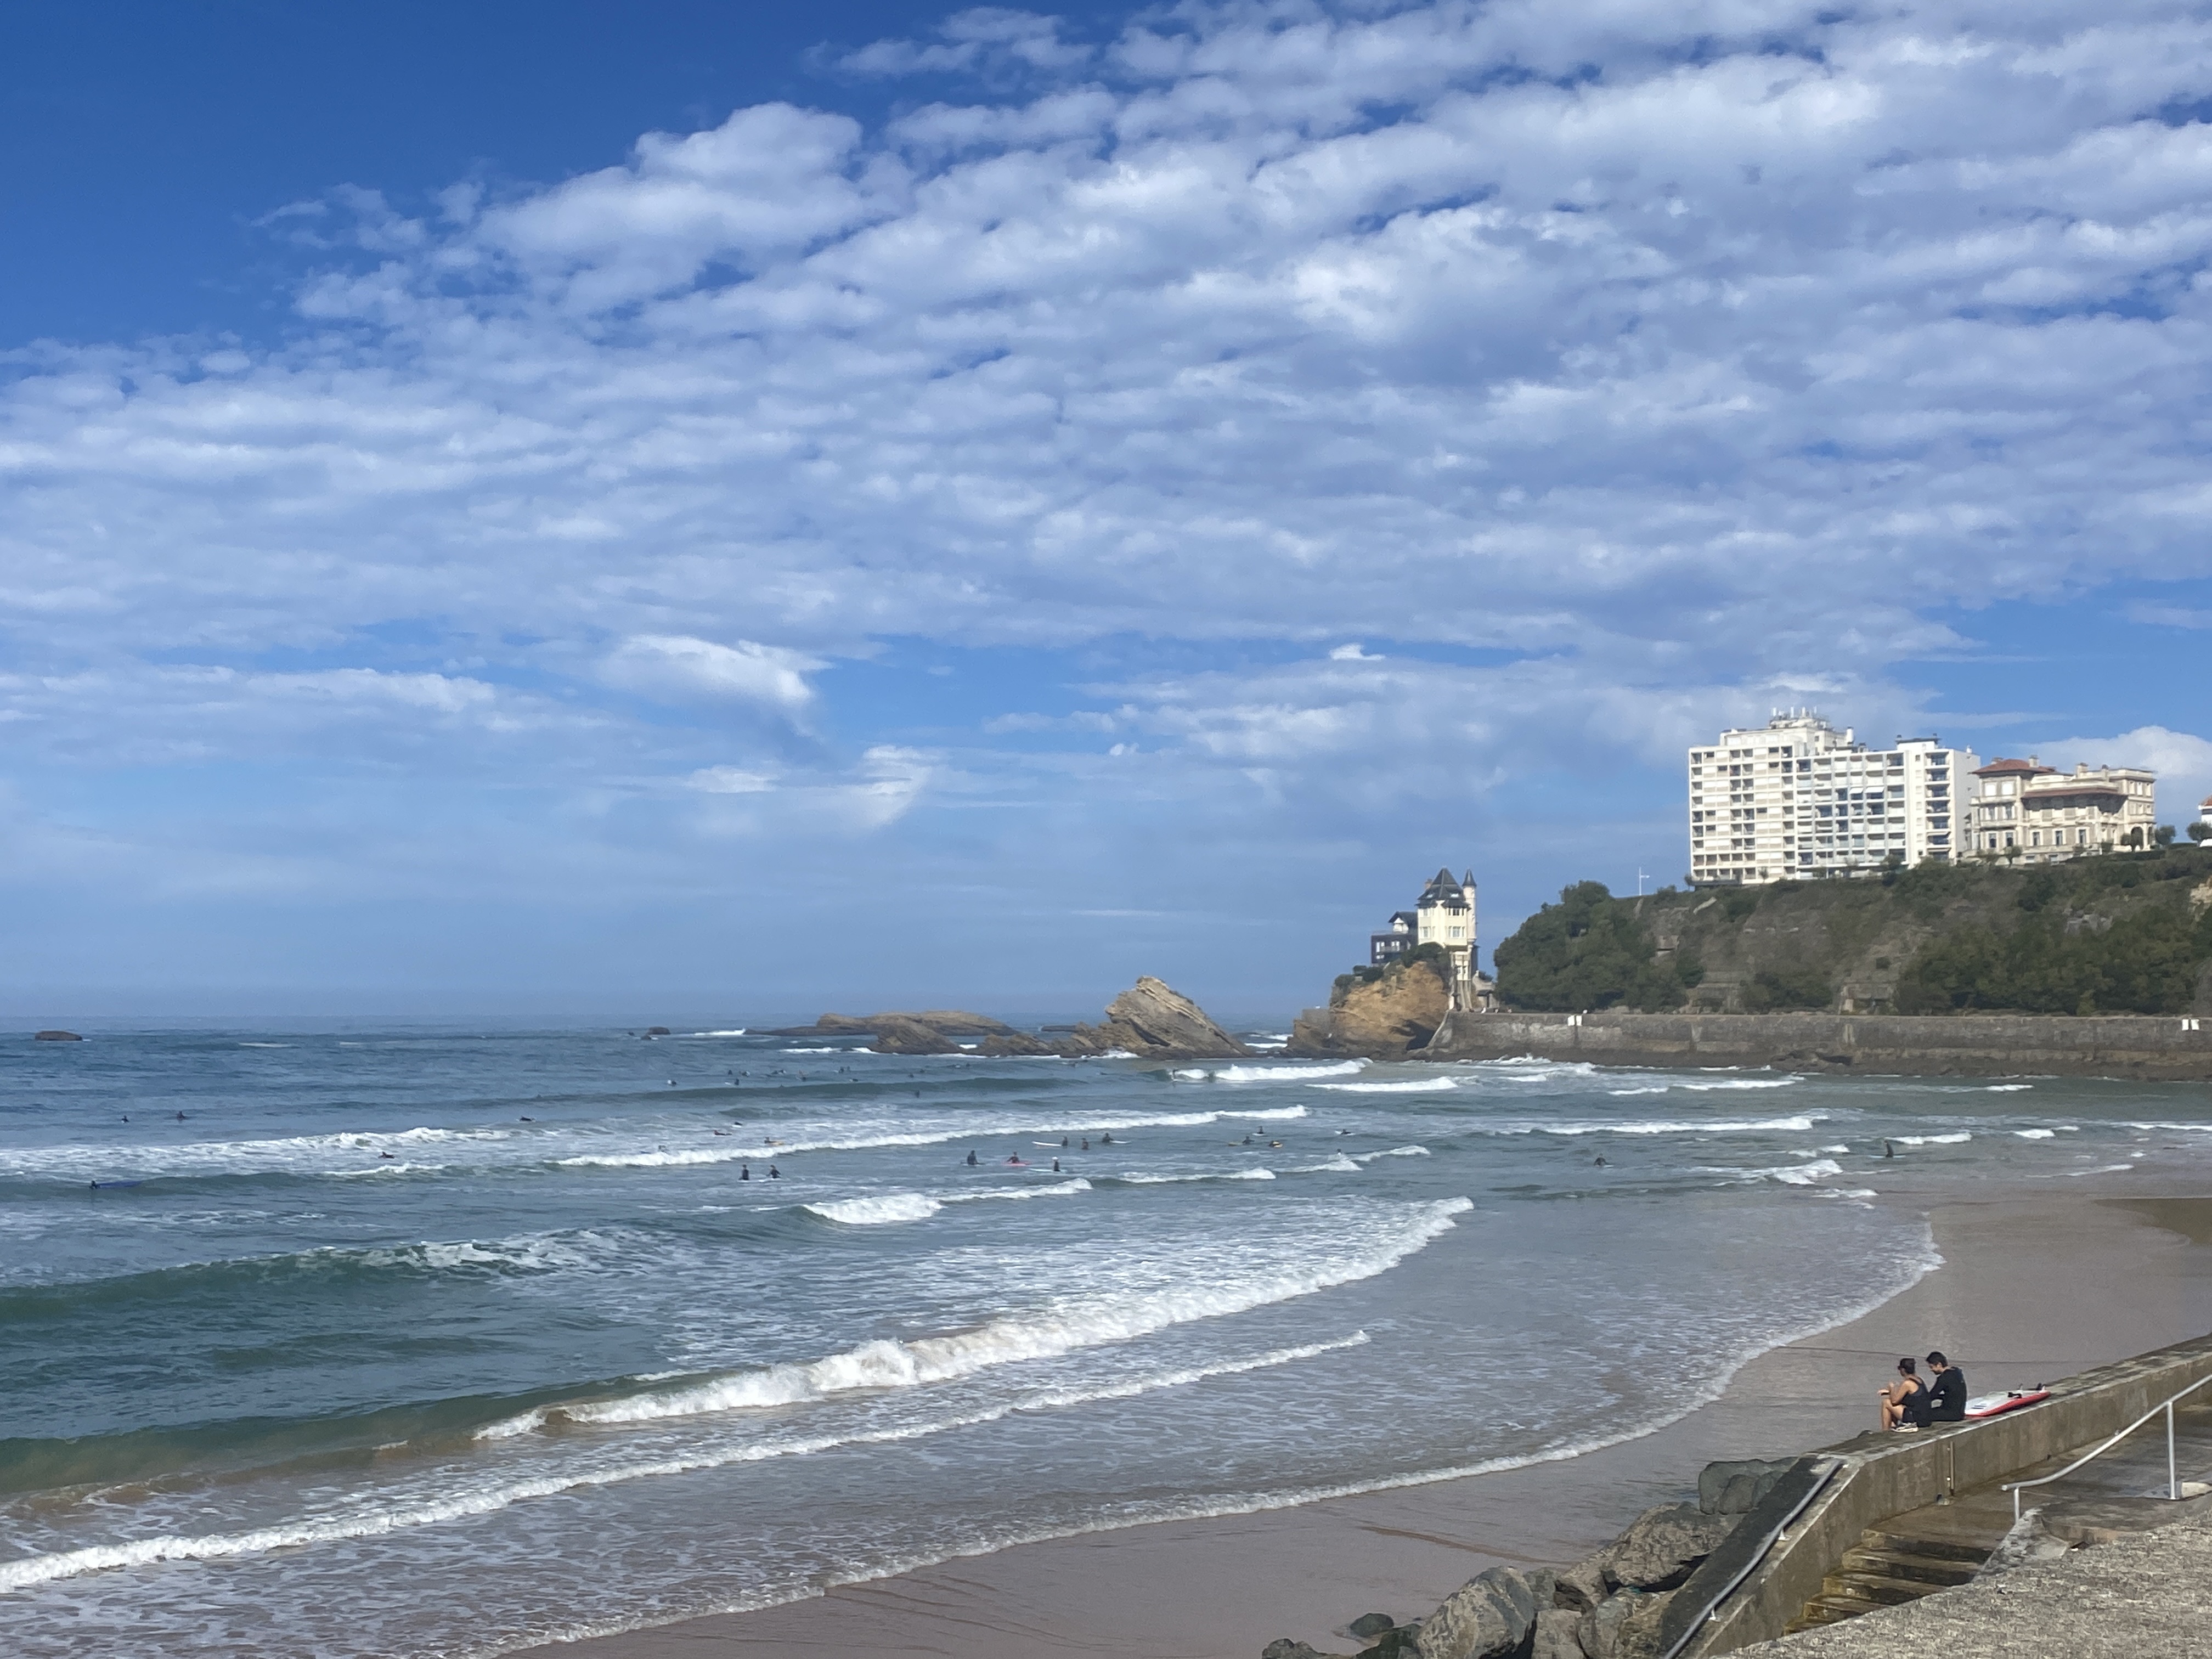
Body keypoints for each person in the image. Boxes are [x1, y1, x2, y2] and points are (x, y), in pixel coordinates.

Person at [1880, 1357, 1926, 1431]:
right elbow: (1910, 1397)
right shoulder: (1919, 1380)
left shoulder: (1907, 1383)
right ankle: (1893, 1427)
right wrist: (1889, 1393)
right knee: (1892, 1403)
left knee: (1886, 1402)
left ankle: (1885, 1431)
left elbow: (1895, 1401)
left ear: (1903, 1370)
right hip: (1924, 1417)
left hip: (1916, 1418)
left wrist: (1892, 1388)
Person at [1923, 1351, 1967, 1422]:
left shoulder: (1944, 1378)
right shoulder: (1956, 1371)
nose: (1931, 1370)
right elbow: (1953, 1393)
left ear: (1939, 1365)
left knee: (1922, 1415)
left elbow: (1932, 1396)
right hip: (1960, 1412)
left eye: (1932, 1367)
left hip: (1951, 1414)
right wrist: (1940, 1397)